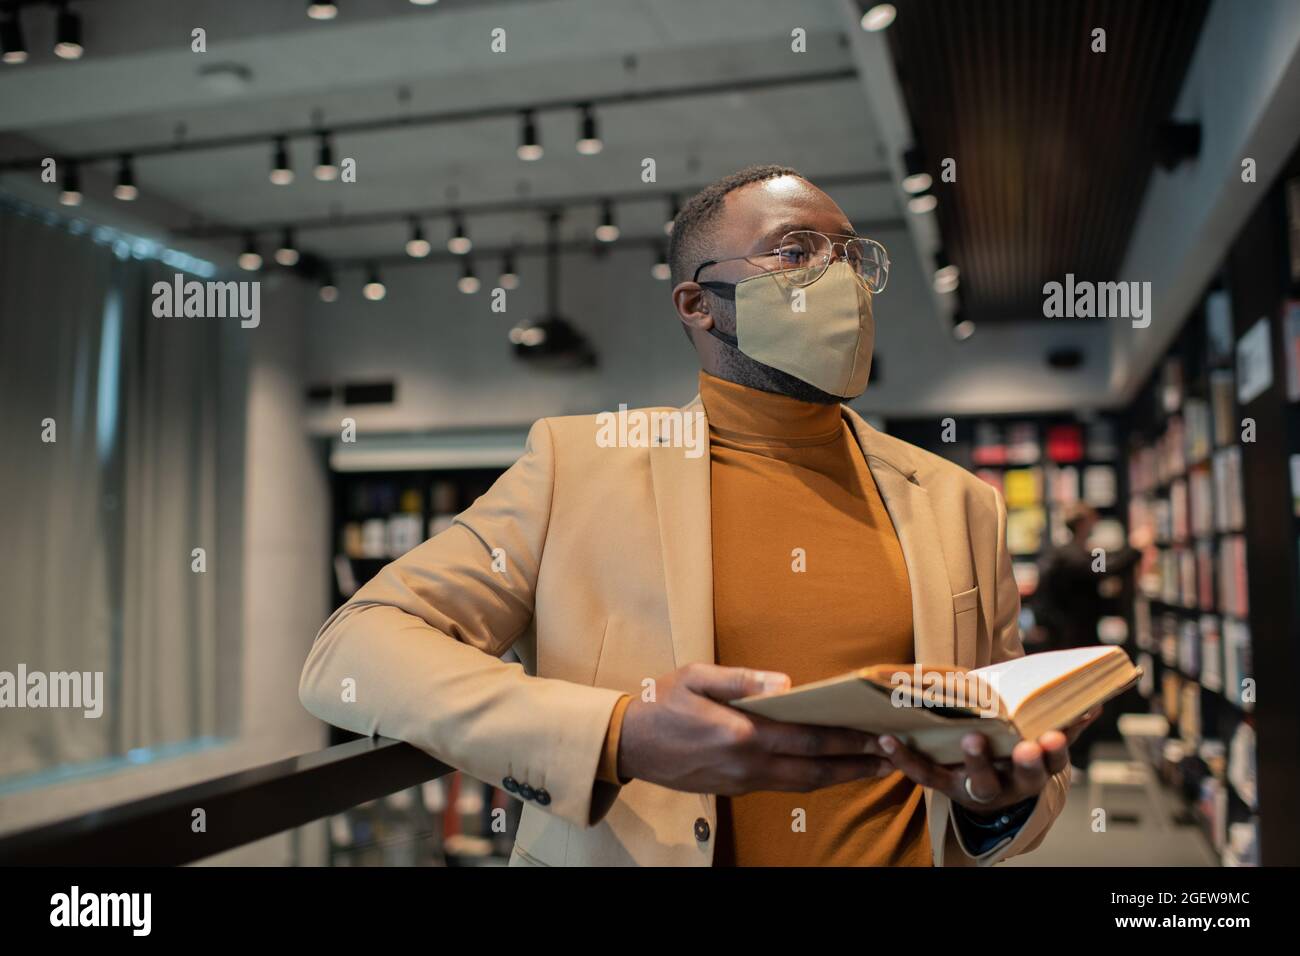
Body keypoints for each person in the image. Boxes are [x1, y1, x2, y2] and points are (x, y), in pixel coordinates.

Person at [299, 165, 1092, 867]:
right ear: (698, 304)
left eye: (854, 256)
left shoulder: (960, 504)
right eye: (797, 252)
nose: (841, 280)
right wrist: (614, 736)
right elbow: (353, 649)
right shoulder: (576, 468)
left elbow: (1008, 763)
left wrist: (1000, 801)